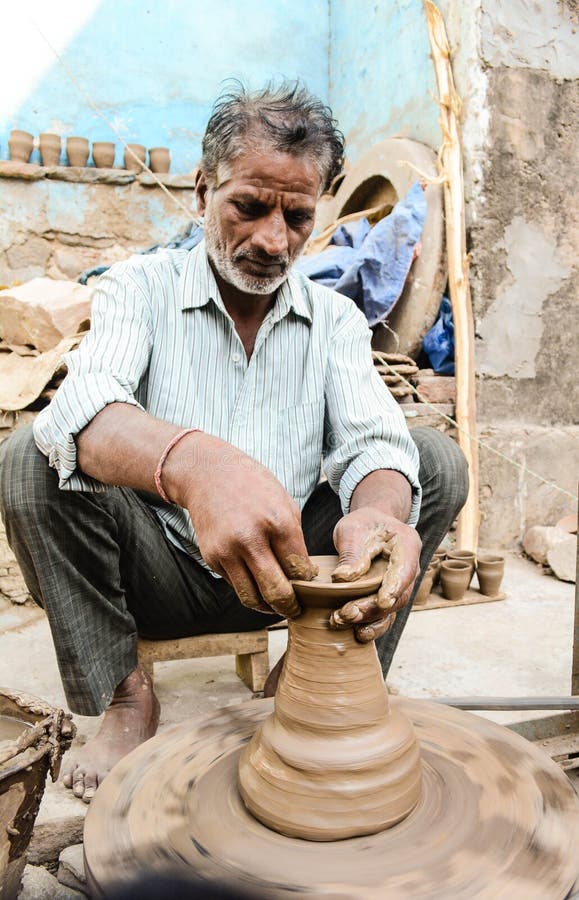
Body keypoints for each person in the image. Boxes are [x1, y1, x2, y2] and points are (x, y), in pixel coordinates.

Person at [0, 82, 468, 804]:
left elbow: (374, 440)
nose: (271, 240)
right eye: (247, 206)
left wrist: (376, 513)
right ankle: (128, 699)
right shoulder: (138, 288)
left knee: (430, 461)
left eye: (297, 216)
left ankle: (311, 680)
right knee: (30, 456)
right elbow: (84, 410)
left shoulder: (335, 320)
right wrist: (193, 464)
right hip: (160, 572)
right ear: (201, 191)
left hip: (292, 576)